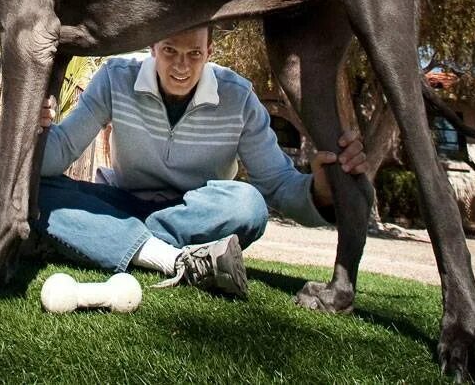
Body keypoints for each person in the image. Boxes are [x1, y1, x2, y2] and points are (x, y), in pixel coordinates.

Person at [34, 25, 367, 298]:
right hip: (121, 202)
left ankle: (102, 239)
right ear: (152, 46)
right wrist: (31, 131)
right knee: (35, 187)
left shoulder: (239, 98)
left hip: (195, 215)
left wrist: (319, 191)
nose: (182, 66)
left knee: (248, 204)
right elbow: (61, 150)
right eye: (170, 52)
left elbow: (279, 184)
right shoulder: (114, 78)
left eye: (194, 54)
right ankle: (172, 259)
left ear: (209, 52)